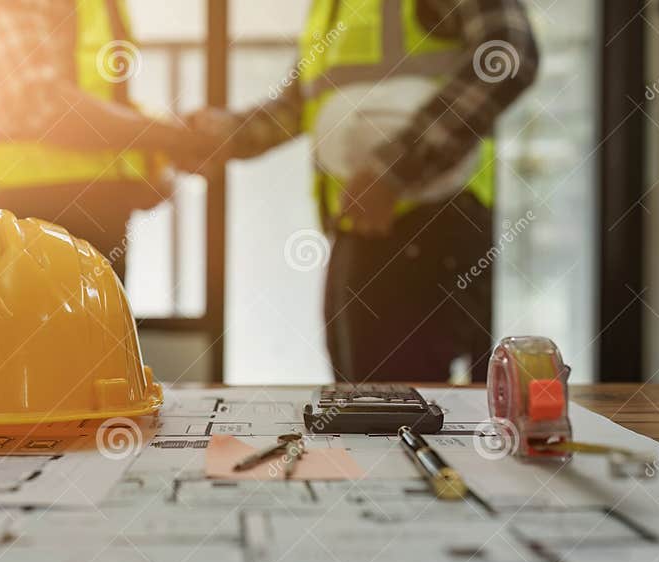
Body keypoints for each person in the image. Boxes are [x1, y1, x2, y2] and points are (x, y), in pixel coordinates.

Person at [190, 0, 539, 382]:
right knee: (361, 405)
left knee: (399, 413)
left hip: (432, 229)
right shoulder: (330, 8)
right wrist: (225, 135)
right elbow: (299, 104)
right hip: (359, 227)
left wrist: (395, 170)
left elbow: (508, 54)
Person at [0, 0, 213, 280]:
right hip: (35, 216)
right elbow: (37, 103)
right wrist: (174, 139)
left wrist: (150, 159)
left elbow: (107, 101)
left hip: (104, 212)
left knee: (103, 320)